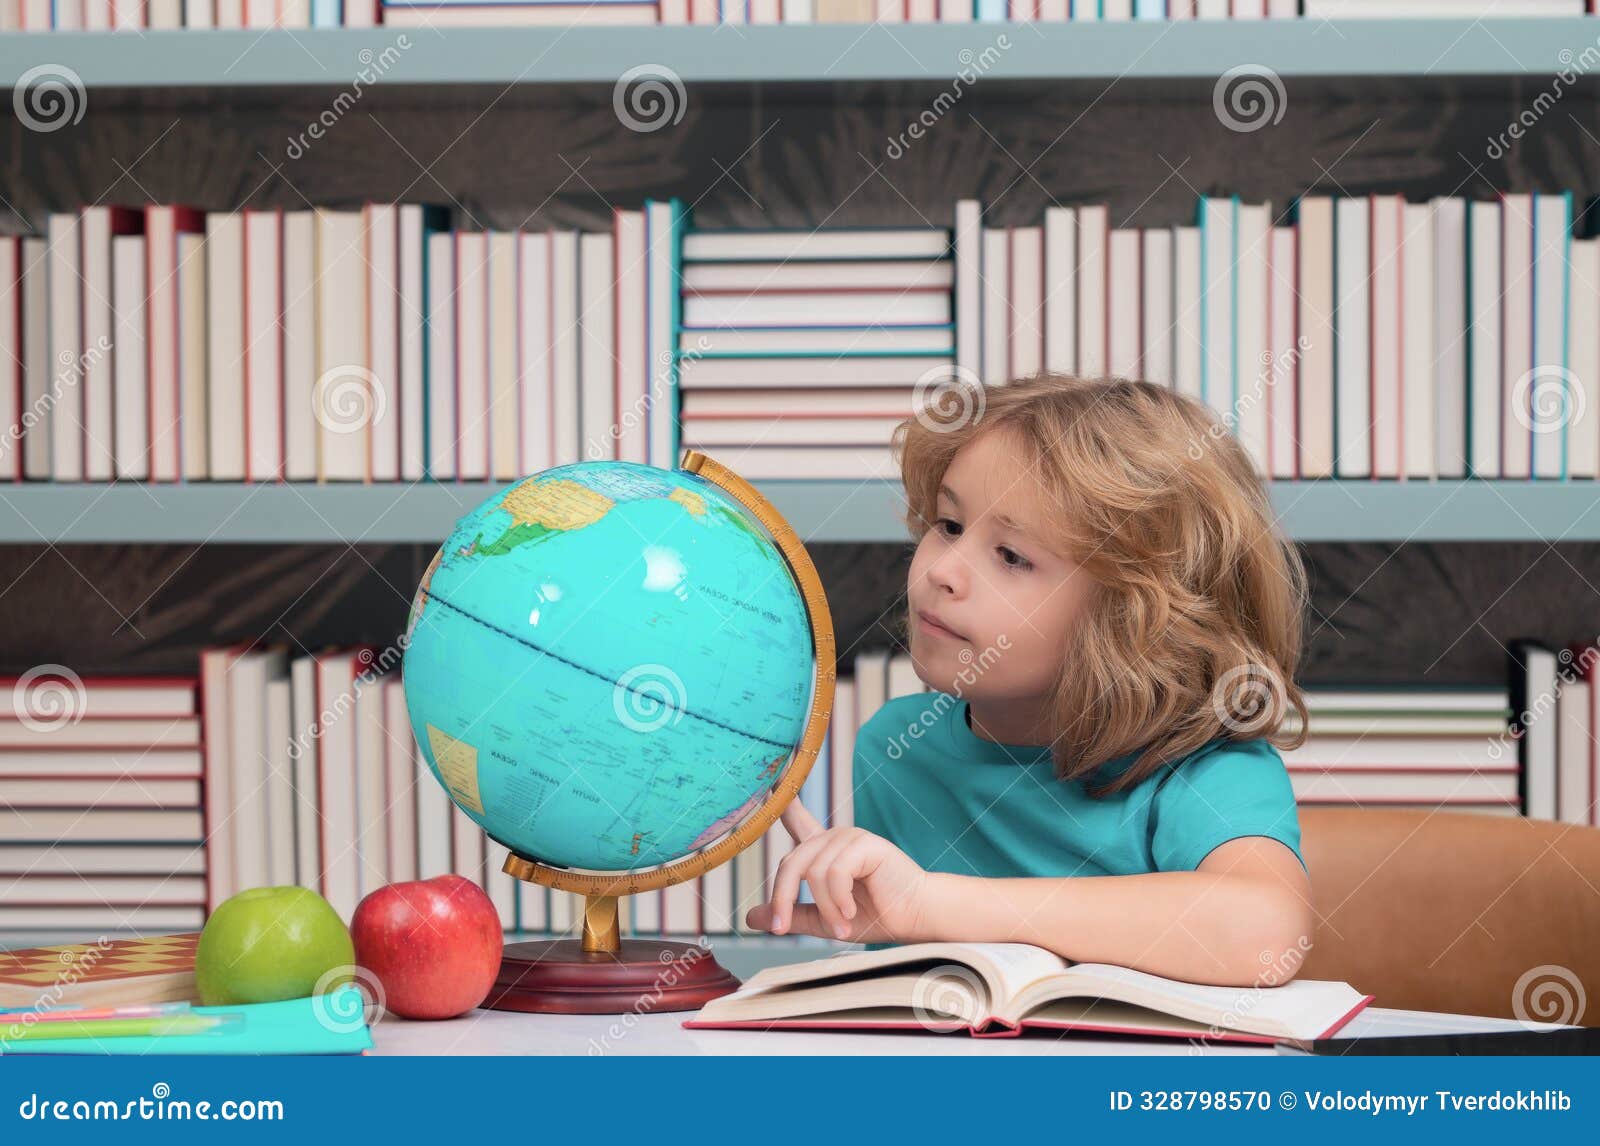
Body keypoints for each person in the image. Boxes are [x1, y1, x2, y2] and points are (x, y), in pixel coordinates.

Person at [745, 372, 1316, 987]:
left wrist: (931, 903)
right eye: (949, 525)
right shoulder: (895, 748)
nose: (943, 572)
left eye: (1012, 556)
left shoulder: (1206, 769)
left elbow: (1263, 933)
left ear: (1136, 618)